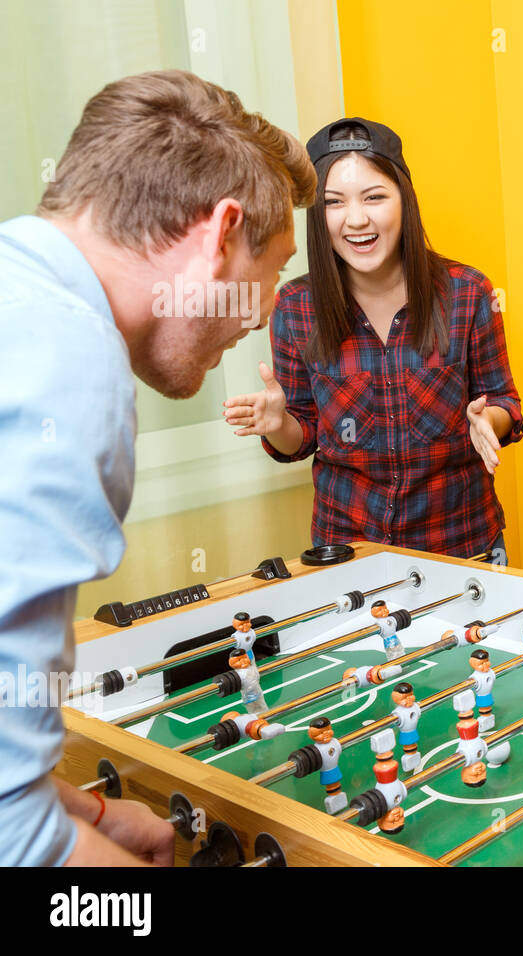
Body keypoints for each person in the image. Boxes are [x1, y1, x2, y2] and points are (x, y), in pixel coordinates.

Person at [0, 69, 313, 865]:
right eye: (273, 265)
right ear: (220, 234)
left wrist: (88, 816)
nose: (267, 309)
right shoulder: (72, 370)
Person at [224, 118, 523, 560]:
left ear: (404, 200)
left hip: (462, 543)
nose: (357, 219)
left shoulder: (468, 293)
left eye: (375, 197)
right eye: (334, 202)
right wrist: (279, 426)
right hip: (347, 551)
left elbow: (505, 404)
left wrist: (488, 421)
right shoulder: (295, 306)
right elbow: (302, 435)